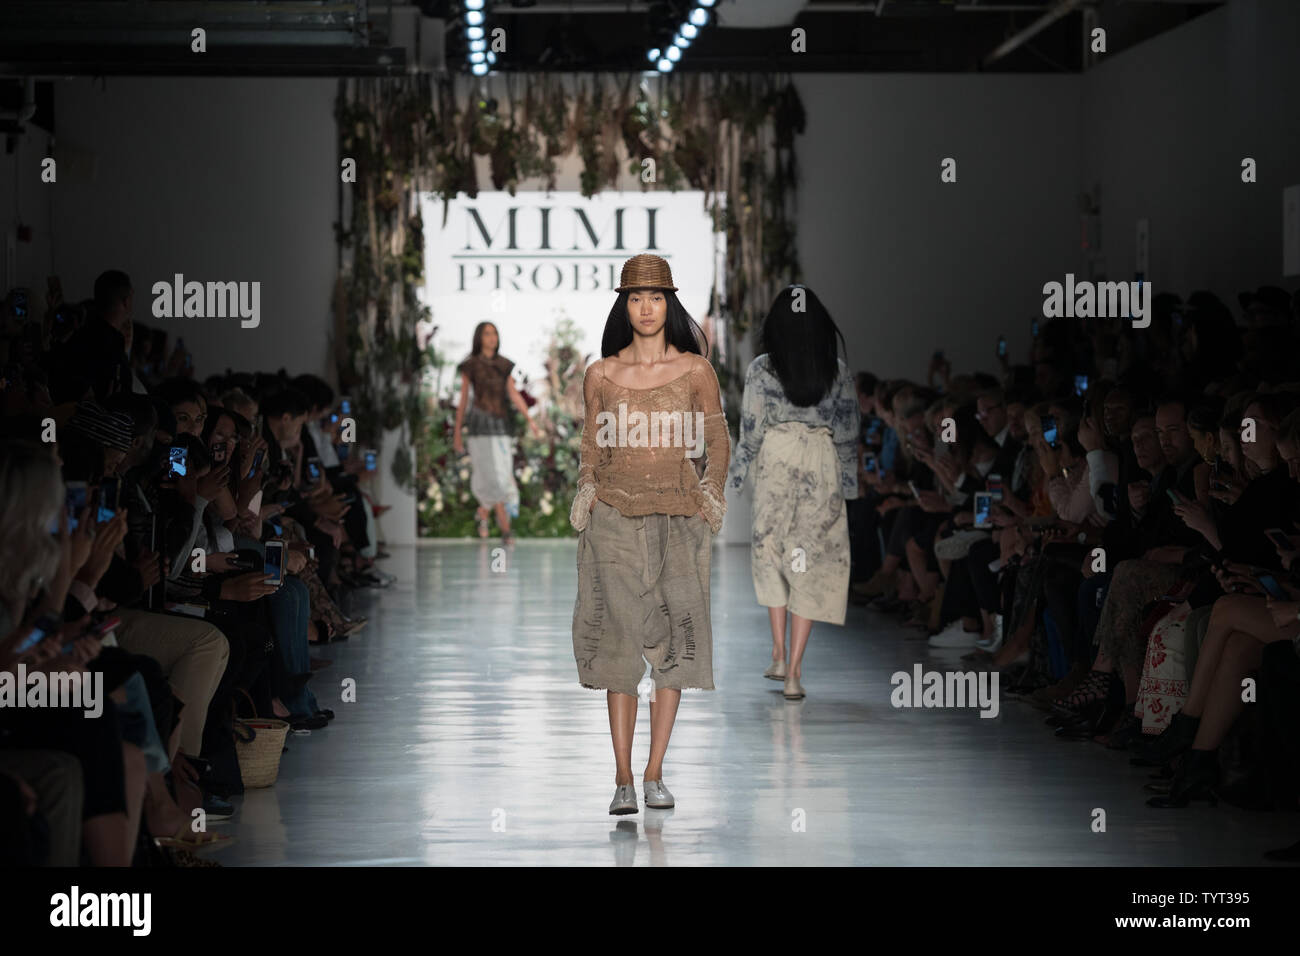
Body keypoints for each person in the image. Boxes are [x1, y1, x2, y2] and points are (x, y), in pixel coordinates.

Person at [569, 253, 729, 816]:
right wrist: (587, 488)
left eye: (656, 297)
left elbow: (718, 438)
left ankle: (654, 771)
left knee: (675, 644)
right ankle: (621, 779)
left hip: (681, 518)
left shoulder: (695, 370)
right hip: (613, 516)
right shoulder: (601, 373)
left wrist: (711, 492)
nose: (646, 307)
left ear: (670, 303)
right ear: (623, 303)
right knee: (618, 644)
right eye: (635, 297)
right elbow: (592, 444)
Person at [728, 286, 861, 699]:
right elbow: (848, 432)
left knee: (771, 554)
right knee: (808, 560)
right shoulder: (836, 370)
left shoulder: (763, 369)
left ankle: (779, 651)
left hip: (777, 459)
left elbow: (750, 430)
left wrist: (734, 477)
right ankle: (795, 674)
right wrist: (849, 485)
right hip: (820, 462)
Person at [453, 322, 540, 543]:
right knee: (488, 474)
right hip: (479, 427)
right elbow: (464, 400)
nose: (492, 338)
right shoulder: (470, 366)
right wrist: (457, 433)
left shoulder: (503, 365)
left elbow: (513, 393)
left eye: (494, 333)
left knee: (502, 474)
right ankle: (504, 528)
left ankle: (484, 512)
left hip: (501, 427)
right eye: (487, 334)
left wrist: (530, 419)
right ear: (479, 338)